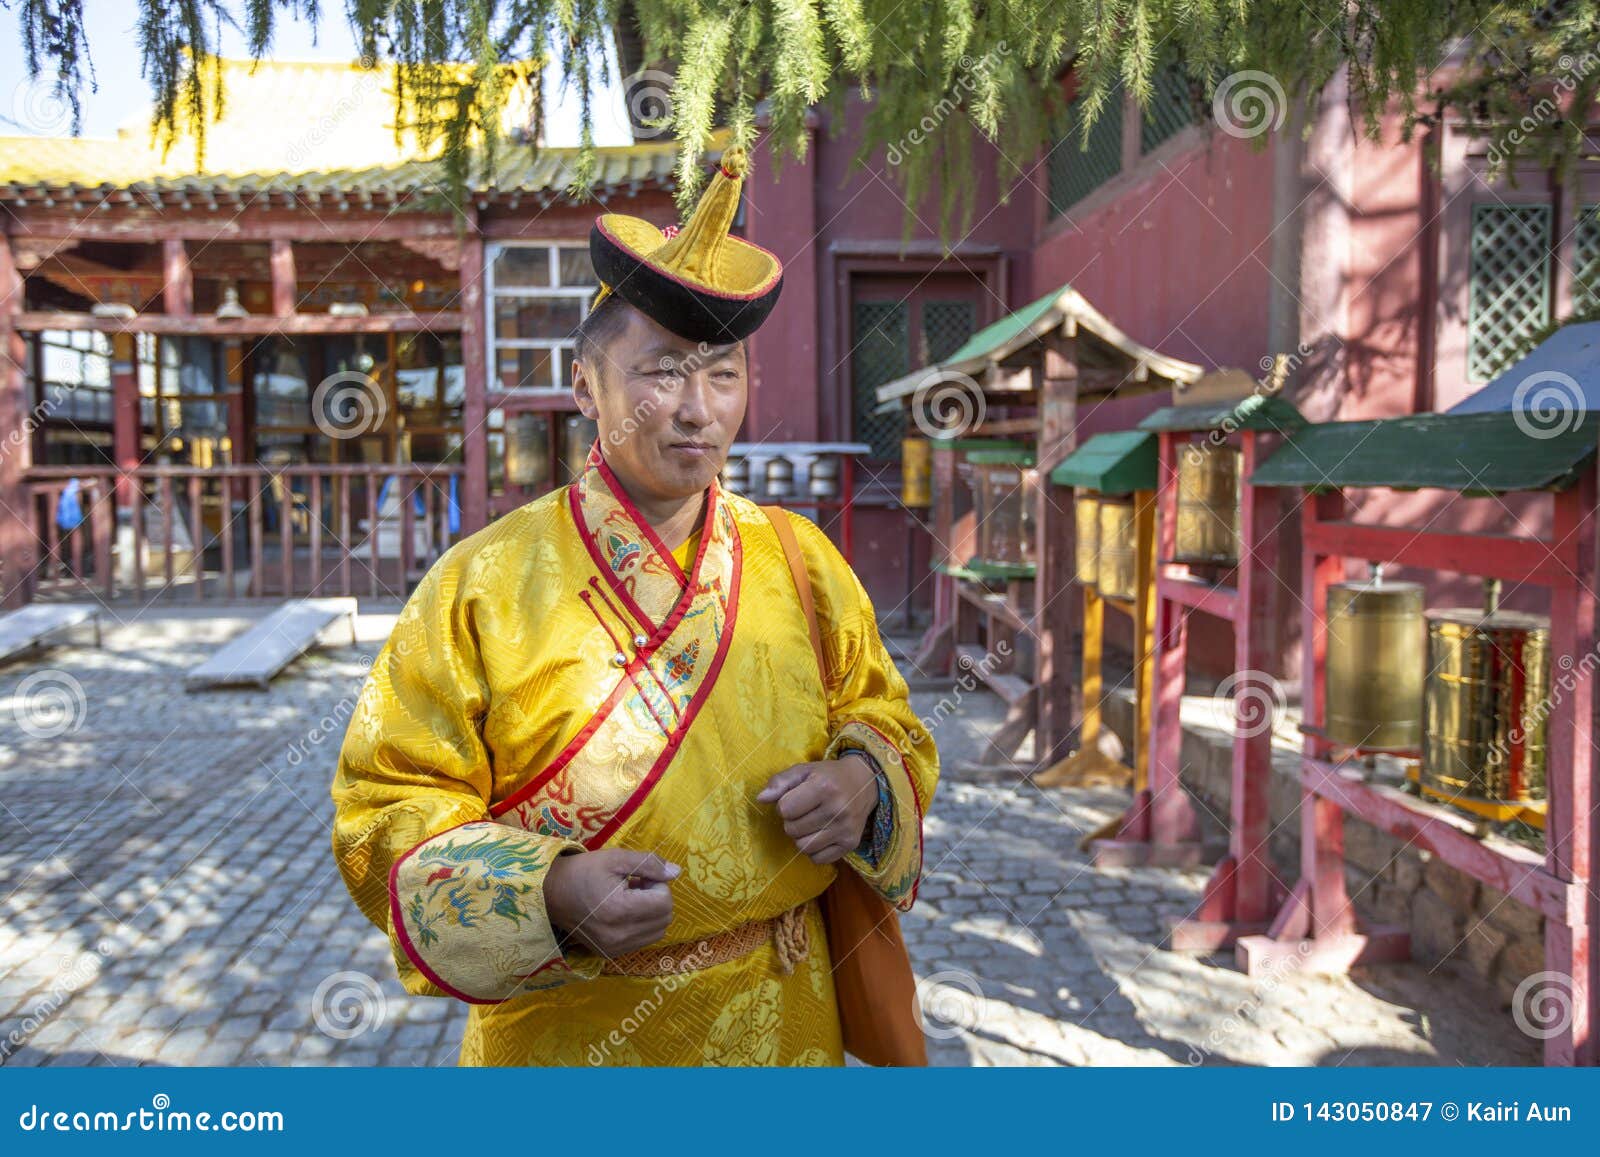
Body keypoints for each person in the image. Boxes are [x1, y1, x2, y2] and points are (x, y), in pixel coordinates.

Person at [330, 143, 938, 1066]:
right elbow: (385, 808)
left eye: (723, 374)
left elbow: (887, 719)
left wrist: (862, 782)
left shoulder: (799, 558)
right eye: (661, 371)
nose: (698, 408)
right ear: (587, 387)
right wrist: (551, 893)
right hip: (568, 1035)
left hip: (782, 1016)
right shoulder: (479, 582)